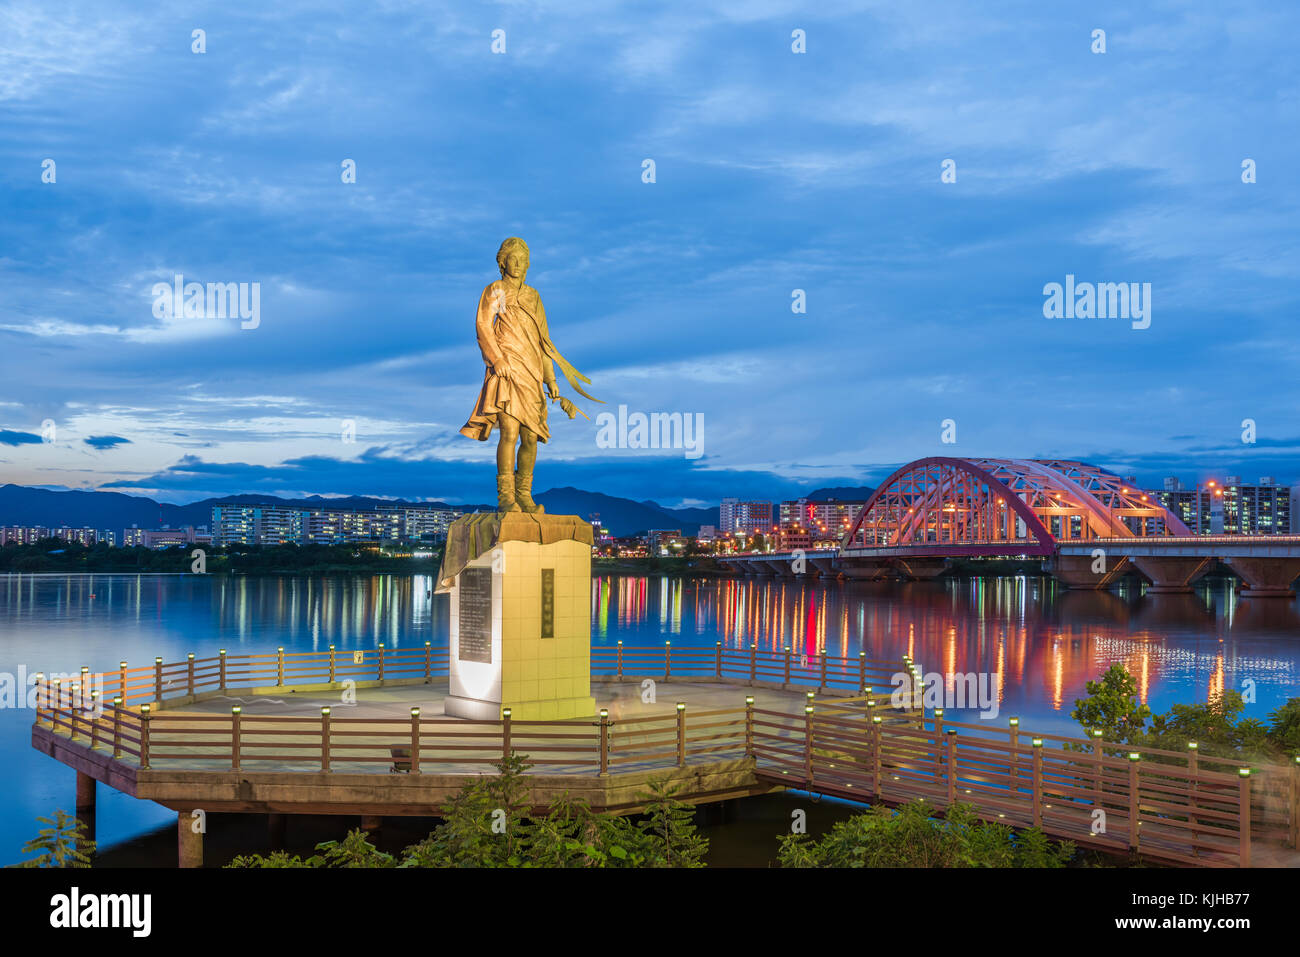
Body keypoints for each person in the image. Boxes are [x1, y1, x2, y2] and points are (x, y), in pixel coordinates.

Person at [459, 237, 600, 512]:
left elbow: (543, 341)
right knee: (509, 431)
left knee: (531, 436)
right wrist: (496, 359)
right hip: (508, 368)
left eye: (523, 260)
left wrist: (551, 379)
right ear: (503, 262)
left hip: (532, 370)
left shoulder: (533, 296)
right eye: (513, 259)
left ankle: (524, 494)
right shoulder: (496, 290)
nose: (519, 264)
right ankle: (506, 499)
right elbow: (483, 326)